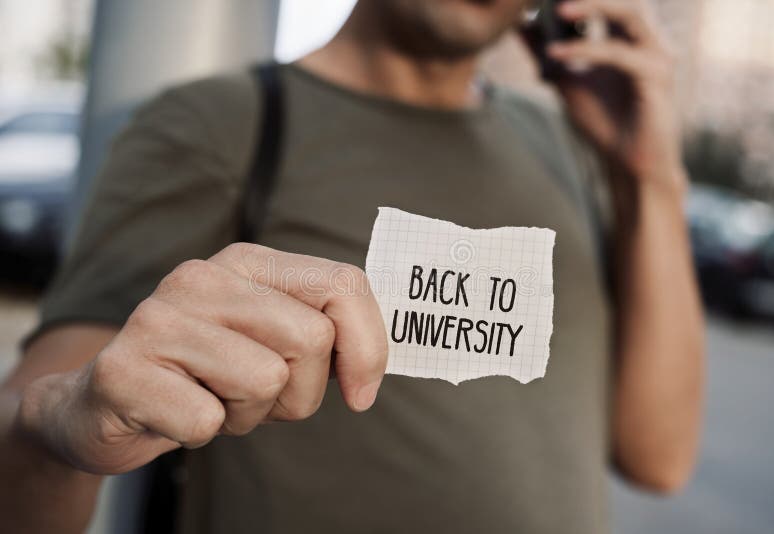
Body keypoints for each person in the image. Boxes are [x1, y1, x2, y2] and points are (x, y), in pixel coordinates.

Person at [0, 0, 704, 532]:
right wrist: (63, 423)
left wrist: (650, 175)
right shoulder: (218, 123)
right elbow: (39, 425)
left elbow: (659, 458)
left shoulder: (567, 141)